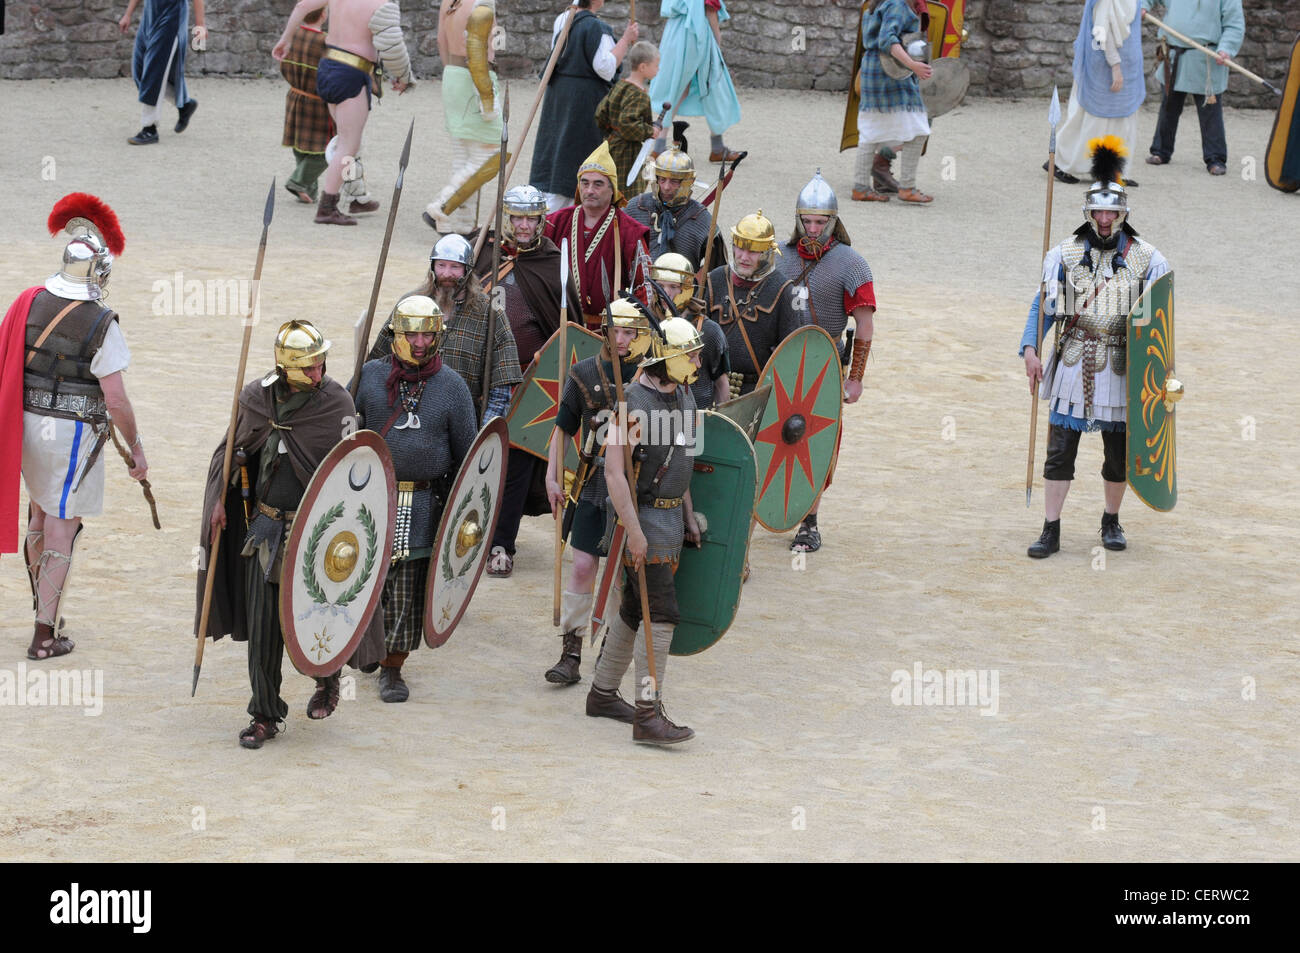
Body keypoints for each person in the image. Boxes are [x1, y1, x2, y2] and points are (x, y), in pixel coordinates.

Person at [196, 321, 375, 748]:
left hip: (319, 530)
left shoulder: (337, 403)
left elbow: (352, 468)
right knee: (263, 627)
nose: (318, 373)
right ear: (287, 369)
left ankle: (326, 676)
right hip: (265, 527)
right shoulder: (256, 398)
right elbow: (228, 450)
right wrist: (218, 498)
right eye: (308, 368)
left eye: (321, 364)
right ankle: (264, 714)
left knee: (319, 612)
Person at [0, 194, 147, 660]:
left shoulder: (32, 301)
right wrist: (137, 447)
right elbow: (117, 399)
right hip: (70, 437)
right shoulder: (102, 322)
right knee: (61, 525)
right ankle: (45, 634)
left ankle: (48, 606)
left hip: (25, 429)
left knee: (40, 515)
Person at [1019, 137, 1170, 558]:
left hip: (1123, 365)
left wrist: (1163, 372)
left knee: (1118, 455)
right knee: (1059, 452)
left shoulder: (1147, 259)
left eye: (1112, 212)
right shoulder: (1065, 254)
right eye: (1098, 212)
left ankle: (1111, 519)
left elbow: (1159, 320)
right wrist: (1031, 347)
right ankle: (1051, 528)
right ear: (1088, 212)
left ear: (1124, 213)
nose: (1104, 219)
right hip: (1072, 360)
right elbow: (1045, 305)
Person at [588, 316, 703, 745]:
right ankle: (647, 714)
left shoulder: (687, 398)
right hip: (641, 522)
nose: (696, 360)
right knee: (662, 614)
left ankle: (601, 694)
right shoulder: (631, 403)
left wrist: (689, 515)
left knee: (636, 611)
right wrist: (633, 530)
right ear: (666, 359)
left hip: (671, 519)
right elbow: (615, 474)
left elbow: (683, 462)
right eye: (689, 354)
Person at [355, 297, 477, 702]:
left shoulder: (453, 387)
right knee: (367, 579)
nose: (420, 342)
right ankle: (369, 646)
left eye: (428, 333)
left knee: (407, 589)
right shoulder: (369, 377)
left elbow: (469, 458)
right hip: (373, 499)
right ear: (396, 335)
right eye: (412, 333)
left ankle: (393, 666)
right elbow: (349, 438)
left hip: (423, 503)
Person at [543, 300, 652, 687]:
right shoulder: (584, 373)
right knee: (584, 566)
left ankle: (611, 651)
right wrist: (552, 477)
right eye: (615, 331)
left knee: (623, 576)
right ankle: (571, 650)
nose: (620, 340)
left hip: (635, 486)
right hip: (592, 483)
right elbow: (562, 427)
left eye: (629, 332)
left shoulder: (651, 375)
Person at [775, 172, 876, 553]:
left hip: (825, 365)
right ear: (798, 219)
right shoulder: (777, 257)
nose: (813, 229)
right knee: (769, 437)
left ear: (833, 222)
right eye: (807, 221)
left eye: (821, 222)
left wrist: (856, 378)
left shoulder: (851, 263)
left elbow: (864, 325)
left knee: (815, 444)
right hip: (781, 361)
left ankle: (809, 522)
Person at [473, 186, 565, 578]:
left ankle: (501, 545)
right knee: (473, 459)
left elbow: (564, 328)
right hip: (477, 378)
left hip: (527, 382)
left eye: (531, 219)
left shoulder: (552, 264)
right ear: (506, 219)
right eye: (517, 218)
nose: (524, 226)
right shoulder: (482, 252)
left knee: (516, 466)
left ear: (542, 220)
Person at [273, 0, 414, 226]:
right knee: (348, 144)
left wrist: (285, 39)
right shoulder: (381, 4)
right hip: (351, 72)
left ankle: (356, 196)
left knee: (347, 142)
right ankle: (327, 207)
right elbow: (392, 46)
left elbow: (301, 7)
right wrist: (405, 76)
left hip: (328, 65)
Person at [370, 234, 522, 424]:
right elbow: (376, 365)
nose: (447, 273)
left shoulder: (490, 313)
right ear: (432, 267)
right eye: (441, 265)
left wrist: (483, 434)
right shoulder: (410, 305)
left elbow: (501, 387)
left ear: (467, 270)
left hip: (462, 420)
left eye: (455, 267)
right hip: (404, 415)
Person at [530, 0, 639, 212]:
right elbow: (605, 68)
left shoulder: (563, 19)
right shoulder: (597, 28)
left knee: (558, 151)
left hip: (559, 95)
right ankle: (561, 215)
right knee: (573, 156)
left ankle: (551, 208)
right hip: (582, 102)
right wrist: (626, 40)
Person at [544, 141, 652, 331]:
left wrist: (629, 330)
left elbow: (645, 288)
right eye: (584, 183)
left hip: (607, 331)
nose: (590, 190)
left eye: (598, 184)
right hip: (556, 326)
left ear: (613, 190)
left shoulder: (629, 232)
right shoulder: (554, 223)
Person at [701, 210, 806, 396]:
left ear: (767, 252)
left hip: (757, 391)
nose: (743, 257)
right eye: (740, 248)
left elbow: (791, 355)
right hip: (711, 388)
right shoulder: (713, 280)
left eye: (753, 251)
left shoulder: (784, 291)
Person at [426, 0, 503, 235]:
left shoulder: (450, 2)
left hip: (453, 74)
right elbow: (477, 51)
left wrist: (454, 75)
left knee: (464, 157)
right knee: (490, 156)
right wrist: (487, 99)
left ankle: (460, 224)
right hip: (474, 81)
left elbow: (441, 40)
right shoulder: (482, 3)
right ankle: (441, 207)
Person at [1143, 0, 1245, 176]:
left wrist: (1226, 48)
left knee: (1210, 112)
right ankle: (1160, 151)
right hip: (1173, 56)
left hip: (1205, 59)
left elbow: (1234, 24)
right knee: (1168, 108)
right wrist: (1142, 5)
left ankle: (1215, 158)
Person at [1050, 0, 1145, 186]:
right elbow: (1102, 30)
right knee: (1093, 121)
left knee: (1122, 122)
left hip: (1128, 68)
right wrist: (1115, 65)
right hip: (1104, 68)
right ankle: (1063, 164)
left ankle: (1114, 170)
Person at [852, 0, 934, 204]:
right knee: (919, 128)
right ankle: (907, 187)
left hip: (874, 69)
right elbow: (887, 40)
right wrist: (913, 65)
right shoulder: (897, 3)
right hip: (891, 73)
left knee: (871, 130)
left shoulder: (879, 2)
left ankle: (861, 187)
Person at [649, 0, 743, 163]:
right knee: (713, 85)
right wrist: (717, 41)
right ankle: (717, 148)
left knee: (677, 88)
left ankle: (659, 146)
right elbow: (710, 9)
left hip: (674, 32)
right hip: (695, 34)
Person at [648, 252, 728, 410]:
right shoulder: (646, 325)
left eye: (673, 287)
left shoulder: (709, 330)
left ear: (687, 289)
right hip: (652, 419)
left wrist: (721, 426)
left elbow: (721, 383)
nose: (666, 293)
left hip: (695, 419)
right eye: (661, 286)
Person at [120, 0, 207, 145]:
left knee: (154, 70)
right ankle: (184, 105)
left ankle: (149, 128)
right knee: (139, 71)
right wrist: (127, 14)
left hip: (172, 17)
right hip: (150, 16)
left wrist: (200, 25)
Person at [624, 145, 723, 272]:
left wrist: (696, 283)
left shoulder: (701, 218)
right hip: (639, 288)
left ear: (689, 181)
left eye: (674, 181)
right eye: (662, 179)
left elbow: (717, 269)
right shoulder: (636, 207)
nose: (666, 187)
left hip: (681, 289)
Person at [279, 5, 334, 204]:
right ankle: (298, 182)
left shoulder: (292, 36)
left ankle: (309, 191)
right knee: (325, 150)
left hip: (295, 95)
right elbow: (330, 73)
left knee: (301, 145)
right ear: (323, 14)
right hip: (317, 102)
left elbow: (283, 64)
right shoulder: (325, 42)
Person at [594, 40, 661, 198]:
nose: (658, 69)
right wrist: (650, 130)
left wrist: (611, 133)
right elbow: (627, 124)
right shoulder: (639, 95)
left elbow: (600, 114)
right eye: (656, 65)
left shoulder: (619, 86)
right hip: (627, 152)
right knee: (626, 193)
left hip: (610, 145)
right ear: (643, 67)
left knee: (609, 187)